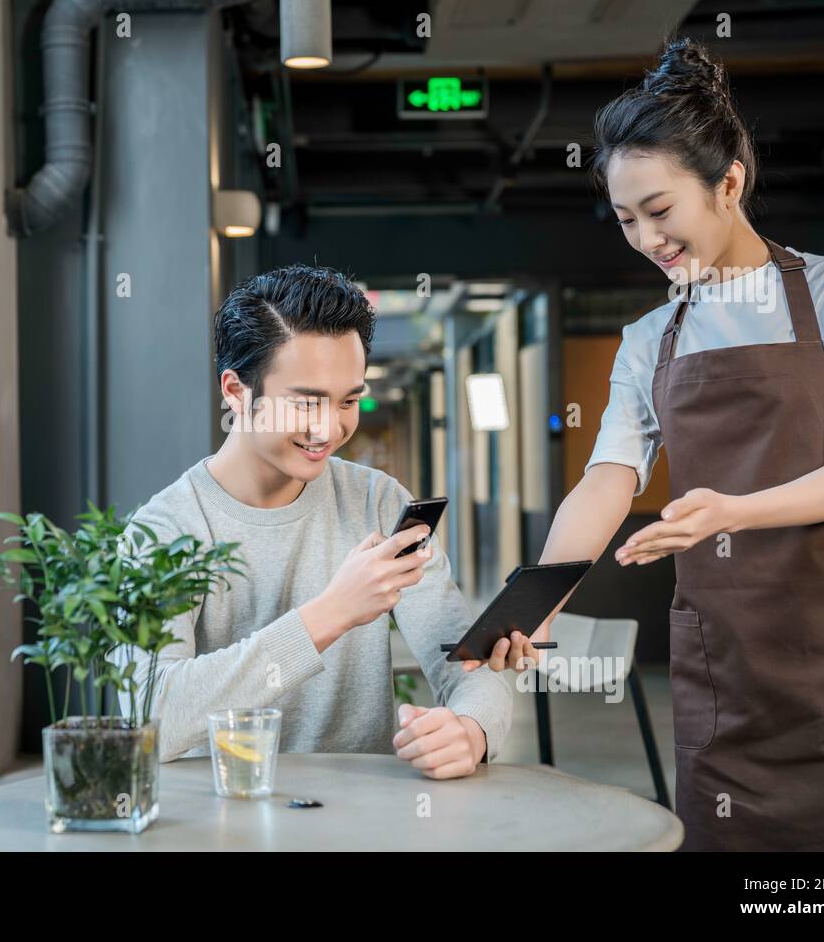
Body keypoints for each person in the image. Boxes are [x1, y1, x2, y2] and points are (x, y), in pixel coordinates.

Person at [466, 36, 824, 850]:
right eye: (625, 219)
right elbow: (606, 481)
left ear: (730, 183)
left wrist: (731, 512)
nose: (646, 238)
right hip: (729, 676)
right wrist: (532, 604)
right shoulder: (648, 337)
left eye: (661, 210)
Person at [116, 264, 530, 777]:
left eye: (349, 400)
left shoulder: (378, 502)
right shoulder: (165, 530)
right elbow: (151, 718)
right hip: (221, 818)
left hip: (364, 812)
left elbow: (463, 661)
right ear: (236, 391)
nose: (329, 428)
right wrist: (331, 613)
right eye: (306, 401)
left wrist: (471, 728)